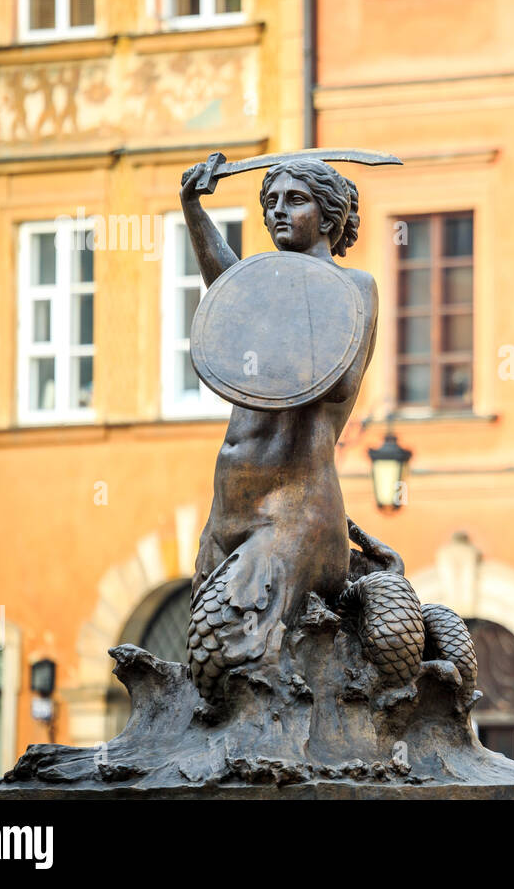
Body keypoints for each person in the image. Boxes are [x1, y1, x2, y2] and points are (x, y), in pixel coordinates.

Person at [178, 157, 378, 709]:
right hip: (231, 501)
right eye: (271, 202)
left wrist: (273, 311)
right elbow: (225, 285)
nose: (277, 212)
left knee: (234, 657)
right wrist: (195, 210)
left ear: (330, 214)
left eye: (295, 200)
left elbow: (339, 385)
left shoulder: (352, 287)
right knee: (205, 677)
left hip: (294, 506)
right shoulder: (260, 283)